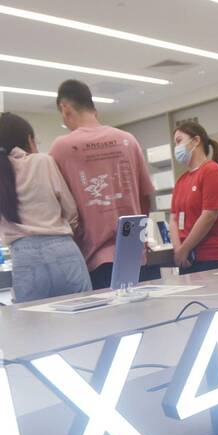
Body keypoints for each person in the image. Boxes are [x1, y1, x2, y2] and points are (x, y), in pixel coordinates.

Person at [0, 112, 91, 302]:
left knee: (34, 328)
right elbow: (71, 210)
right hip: (63, 249)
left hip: (24, 257)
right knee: (86, 319)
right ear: (29, 139)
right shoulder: (44, 161)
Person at [49, 79, 158, 289]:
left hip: (92, 257)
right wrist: (141, 240)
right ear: (93, 108)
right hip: (133, 253)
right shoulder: (128, 140)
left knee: (106, 321)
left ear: (64, 108)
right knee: (143, 317)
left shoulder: (61, 148)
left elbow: (56, 205)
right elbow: (146, 199)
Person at [169, 120, 218, 274]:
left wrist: (184, 248)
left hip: (213, 257)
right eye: (175, 143)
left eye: (179, 141)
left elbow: (209, 215)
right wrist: (178, 249)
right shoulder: (182, 180)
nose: (176, 147)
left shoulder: (212, 172)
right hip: (188, 259)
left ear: (196, 140)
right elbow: (173, 218)